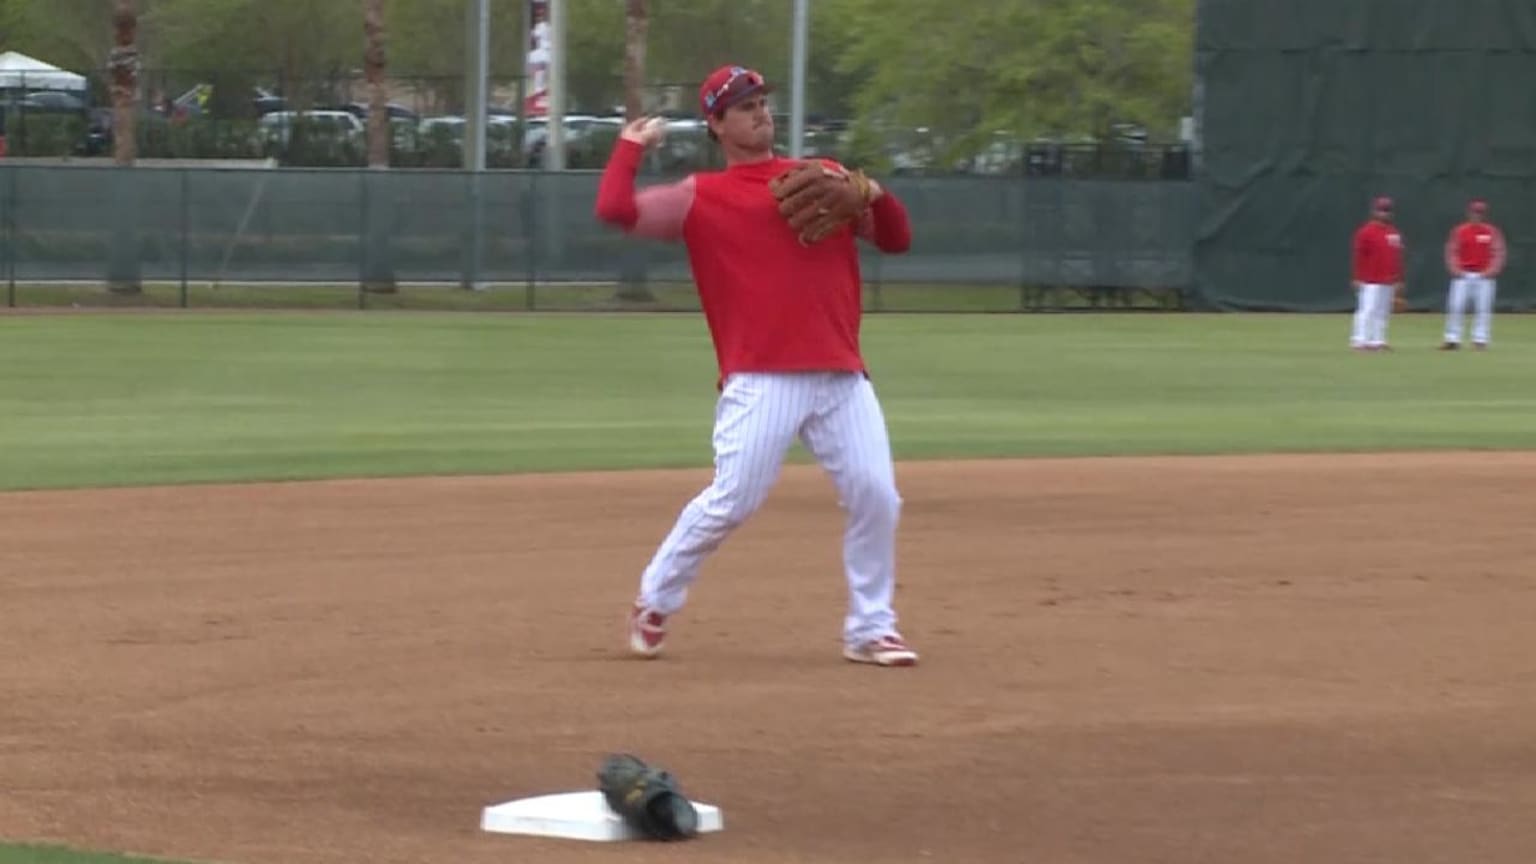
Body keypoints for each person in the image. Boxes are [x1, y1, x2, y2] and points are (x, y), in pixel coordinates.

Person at [593, 64, 919, 667]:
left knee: (878, 495)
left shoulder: (822, 177)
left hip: (841, 372)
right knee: (732, 500)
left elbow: (896, 240)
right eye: (743, 106)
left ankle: (872, 628)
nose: (760, 112)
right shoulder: (701, 197)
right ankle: (655, 598)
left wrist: (874, 195)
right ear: (716, 124)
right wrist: (630, 146)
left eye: (763, 101)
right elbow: (614, 209)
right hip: (760, 374)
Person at [1440, 199, 1506, 351]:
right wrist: (1455, 269)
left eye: (1480, 213)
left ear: (1484, 214)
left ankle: (1480, 339)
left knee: (1483, 308)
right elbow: (1452, 250)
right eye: (1475, 212)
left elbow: (1498, 252)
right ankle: (1452, 339)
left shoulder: (1491, 232)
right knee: (1456, 306)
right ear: (1469, 213)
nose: (1477, 215)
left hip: (1484, 276)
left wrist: (1491, 271)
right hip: (1463, 275)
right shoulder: (1460, 231)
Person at [1350, 196, 1405, 352]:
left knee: (1383, 312)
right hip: (1370, 279)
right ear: (1374, 211)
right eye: (1381, 210)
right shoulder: (1365, 232)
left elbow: (1397, 257)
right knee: (1367, 310)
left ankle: (1378, 341)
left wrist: (1399, 278)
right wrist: (1357, 277)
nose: (1384, 213)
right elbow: (1359, 256)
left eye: (1387, 210)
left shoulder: (1394, 233)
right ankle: (1359, 340)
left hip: (1388, 280)